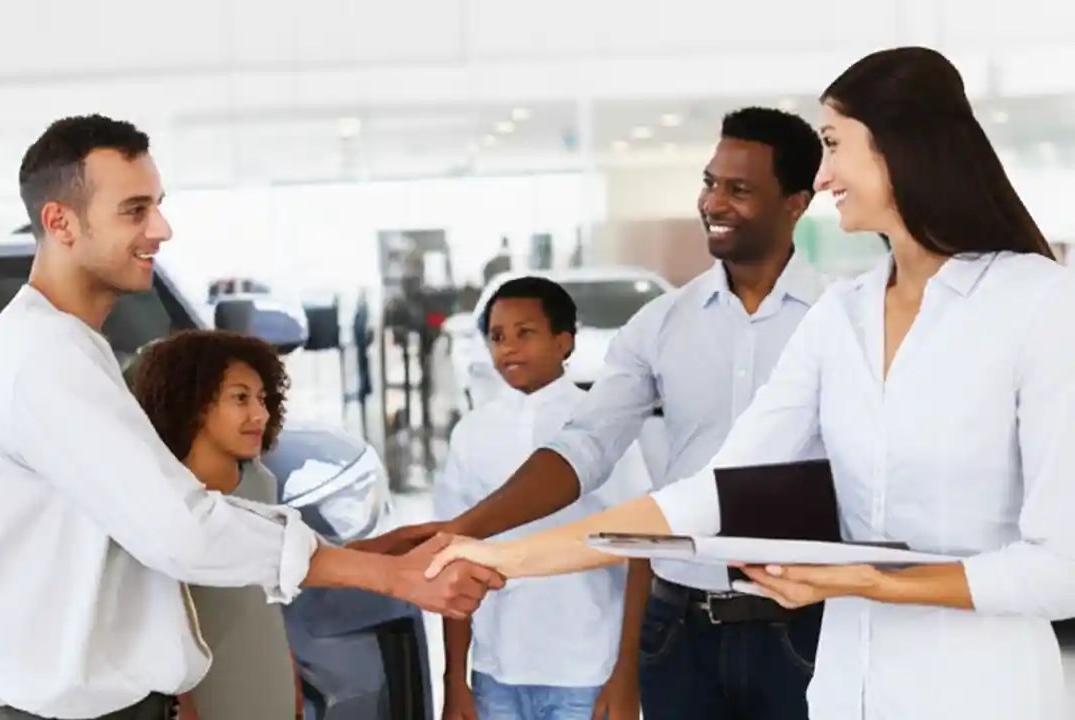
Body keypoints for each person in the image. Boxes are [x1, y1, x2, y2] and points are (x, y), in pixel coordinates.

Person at [424, 47, 1075, 720]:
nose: (822, 177)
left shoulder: (1037, 306)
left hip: (983, 696)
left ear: (896, 145)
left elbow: (1063, 571)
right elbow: (714, 493)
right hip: (845, 694)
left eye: (832, 145)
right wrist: (509, 557)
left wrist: (871, 582)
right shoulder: (841, 317)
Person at [0, 114, 502, 720]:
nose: (160, 229)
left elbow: (145, 529)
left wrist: (368, 554)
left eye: (157, 205)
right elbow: (181, 530)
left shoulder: (63, 349)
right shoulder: (43, 359)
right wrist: (391, 578)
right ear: (60, 221)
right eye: (134, 211)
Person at [366, 106, 830, 720]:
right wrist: (463, 530)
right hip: (680, 628)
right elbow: (584, 447)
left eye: (739, 189)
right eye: (710, 182)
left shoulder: (840, 319)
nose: (713, 203)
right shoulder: (662, 323)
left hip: (803, 627)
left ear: (796, 202)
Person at [436, 277, 651, 720]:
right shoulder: (472, 433)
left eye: (525, 333)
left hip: (586, 671)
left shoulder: (601, 427)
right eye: (497, 336)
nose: (509, 347)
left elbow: (641, 548)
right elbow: (451, 561)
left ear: (563, 341)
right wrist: (455, 679)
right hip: (497, 673)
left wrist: (626, 673)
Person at [128, 329, 302, 720]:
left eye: (262, 398)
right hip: (208, 695)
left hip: (267, 681)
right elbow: (159, 621)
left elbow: (265, 600)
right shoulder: (159, 502)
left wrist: (290, 677)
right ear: (192, 404)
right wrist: (181, 707)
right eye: (240, 398)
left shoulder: (259, 480)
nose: (260, 413)